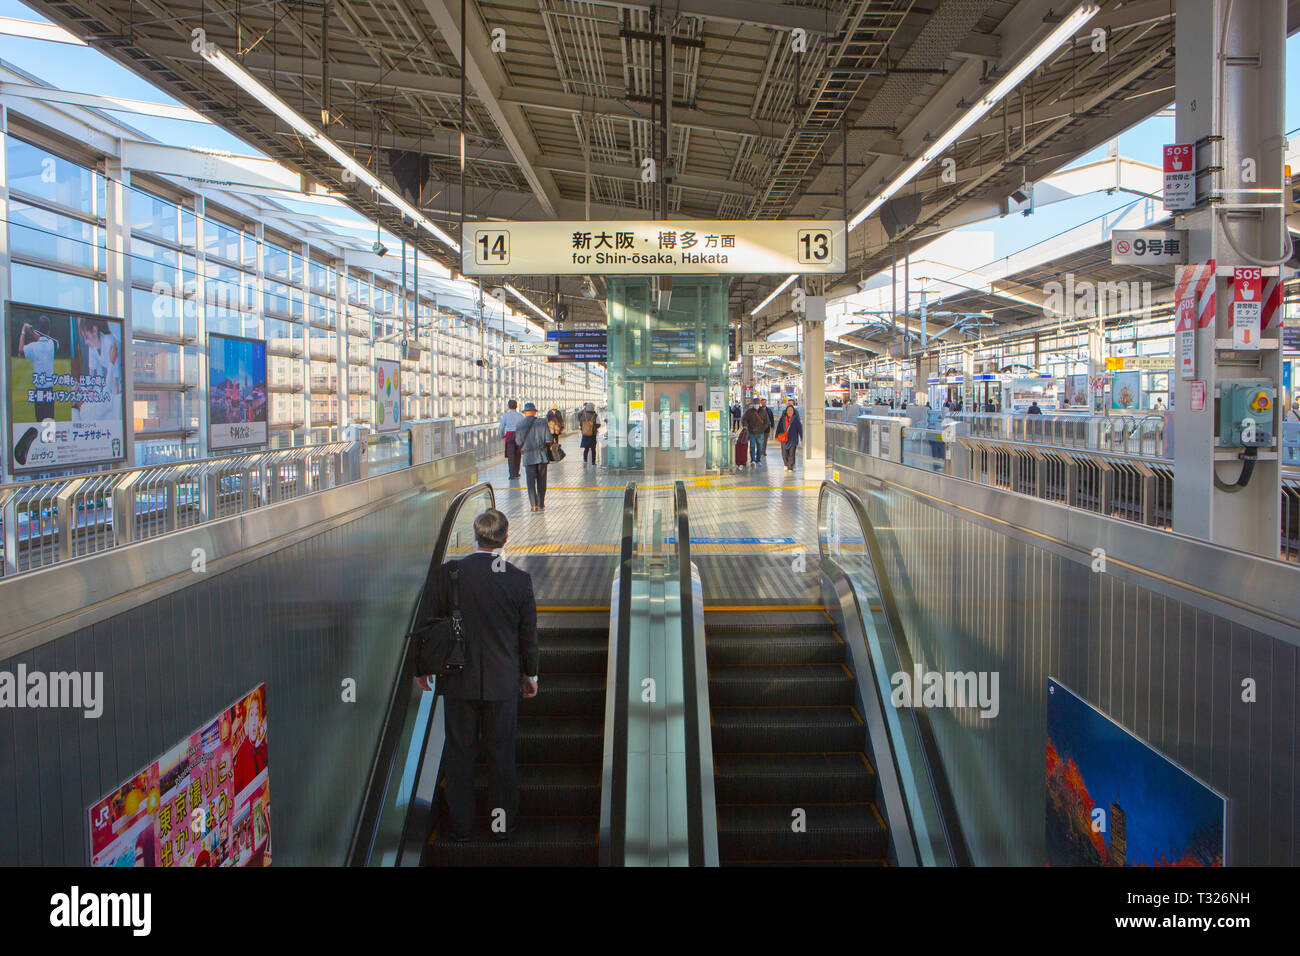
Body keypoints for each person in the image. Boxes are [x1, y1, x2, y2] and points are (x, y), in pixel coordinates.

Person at [417, 509, 538, 843]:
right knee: (501, 756)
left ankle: (460, 828)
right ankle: (502, 828)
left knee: (460, 754)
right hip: (502, 683)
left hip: (458, 680)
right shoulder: (518, 579)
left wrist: (421, 669)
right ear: (505, 538)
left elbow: (428, 623)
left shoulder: (448, 574)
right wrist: (531, 674)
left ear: (475, 535)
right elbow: (528, 633)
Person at [18, 315, 56, 423]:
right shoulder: (51, 344)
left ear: (38, 330)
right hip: (49, 392)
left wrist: (24, 331)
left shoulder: (33, 347)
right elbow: (41, 338)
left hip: (39, 392)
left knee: (40, 424)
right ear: (48, 331)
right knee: (49, 427)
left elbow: (20, 349)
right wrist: (31, 331)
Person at [516, 402, 552, 511]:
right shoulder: (542, 422)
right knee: (542, 480)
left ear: (525, 412)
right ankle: (541, 503)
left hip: (528, 457)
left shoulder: (519, 424)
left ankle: (533, 505)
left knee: (530, 482)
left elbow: (518, 441)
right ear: (535, 412)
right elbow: (549, 439)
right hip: (541, 456)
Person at [499, 399, 524, 480]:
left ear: (509, 406)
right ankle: (516, 473)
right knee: (518, 454)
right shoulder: (520, 416)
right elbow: (523, 427)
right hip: (518, 435)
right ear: (516, 406)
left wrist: (501, 435)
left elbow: (501, 427)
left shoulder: (506, 416)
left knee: (511, 456)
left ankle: (511, 474)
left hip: (509, 436)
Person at [775, 400, 803, 472]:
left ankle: (790, 467)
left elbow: (800, 428)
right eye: (788, 410)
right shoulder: (782, 419)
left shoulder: (796, 419)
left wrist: (802, 437)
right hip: (784, 439)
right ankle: (786, 464)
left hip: (793, 439)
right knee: (784, 453)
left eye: (791, 410)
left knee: (792, 453)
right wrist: (776, 435)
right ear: (786, 411)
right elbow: (778, 427)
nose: (790, 411)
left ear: (793, 411)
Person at [741, 400, 767, 466]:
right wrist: (745, 425)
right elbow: (744, 419)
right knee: (752, 446)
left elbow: (767, 421)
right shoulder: (749, 412)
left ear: (759, 404)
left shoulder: (763, 411)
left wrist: (763, 428)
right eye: (755, 403)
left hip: (760, 432)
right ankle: (753, 460)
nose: (756, 405)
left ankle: (758, 460)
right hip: (752, 432)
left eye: (757, 403)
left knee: (760, 447)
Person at [758, 397, 775, 462]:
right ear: (761, 403)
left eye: (765, 402)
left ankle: (763, 451)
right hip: (759, 428)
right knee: (760, 440)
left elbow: (771, 418)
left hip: (767, 428)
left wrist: (772, 425)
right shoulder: (758, 410)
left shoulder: (769, 410)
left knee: (765, 440)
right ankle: (759, 451)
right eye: (763, 402)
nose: (764, 403)